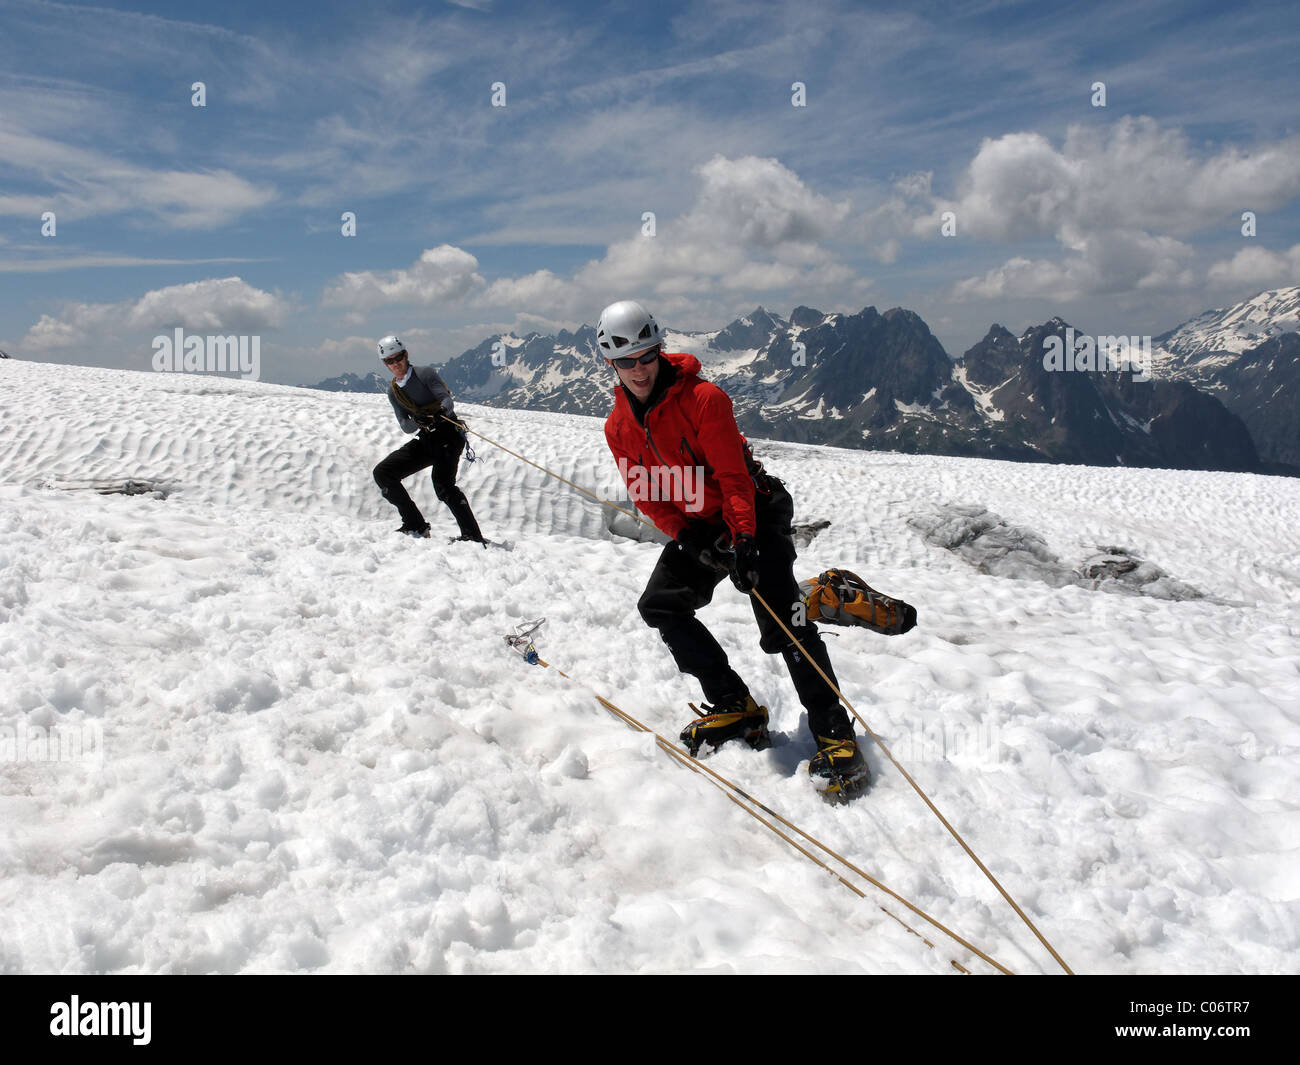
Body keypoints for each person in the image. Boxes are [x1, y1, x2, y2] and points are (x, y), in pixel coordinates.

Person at [597, 300, 869, 799]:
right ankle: (734, 705)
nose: (638, 369)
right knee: (660, 605)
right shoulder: (618, 427)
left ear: (659, 350)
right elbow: (647, 494)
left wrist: (743, 540)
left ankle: (835, 735)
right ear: (610, 364)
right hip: (703, 525)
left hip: (755, 514)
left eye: (645, 355)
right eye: (626, 360)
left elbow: (733, 477)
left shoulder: (705, 400)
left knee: (783, 620)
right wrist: (687, 536)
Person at [372, 335, 485, 544]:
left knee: (443, 486)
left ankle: (473, 536)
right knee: (383, 472)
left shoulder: (425, 374)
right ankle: (415, 524)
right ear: (385, 364)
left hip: (448, 434)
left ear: (406, 355)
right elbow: (405, 426)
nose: (395, 364)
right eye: (389, 361)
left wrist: (437, 412)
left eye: (397, 358)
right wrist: (417, 419)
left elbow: (447, 400)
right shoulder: (393, 391)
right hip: (427, 439)